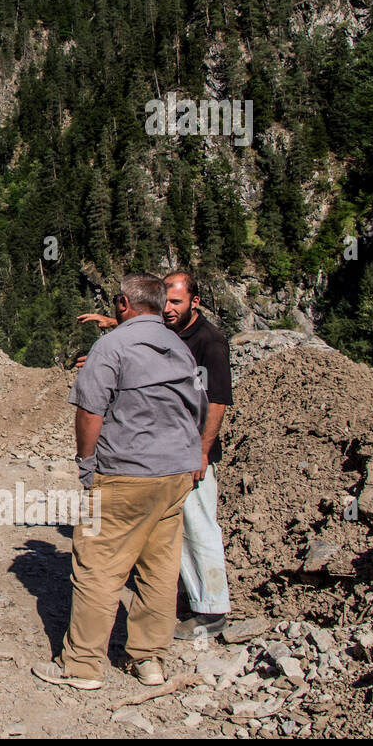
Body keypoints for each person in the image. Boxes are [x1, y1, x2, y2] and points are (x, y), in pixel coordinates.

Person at [32, 274, 205, 690]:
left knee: (97, 567)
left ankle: (82, 666)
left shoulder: (110, 346)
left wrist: (87, 464)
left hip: (126, 471)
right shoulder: (178, 347)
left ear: (124, 304)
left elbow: (90, 412)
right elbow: (196, 406)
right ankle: (149, 661)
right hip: (175, 473)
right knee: (159, 571)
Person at [163, 270, 233, 639]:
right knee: (176, 526)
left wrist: (202, 452)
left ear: (195, 302)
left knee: (198, 526)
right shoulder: (172, 332)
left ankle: (211, 611)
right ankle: (188, 597)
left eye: (176, 301)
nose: (168, 308)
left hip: (193, 451)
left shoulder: (210, 342)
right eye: (165, 301)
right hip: (168, 450)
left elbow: (218, 401)